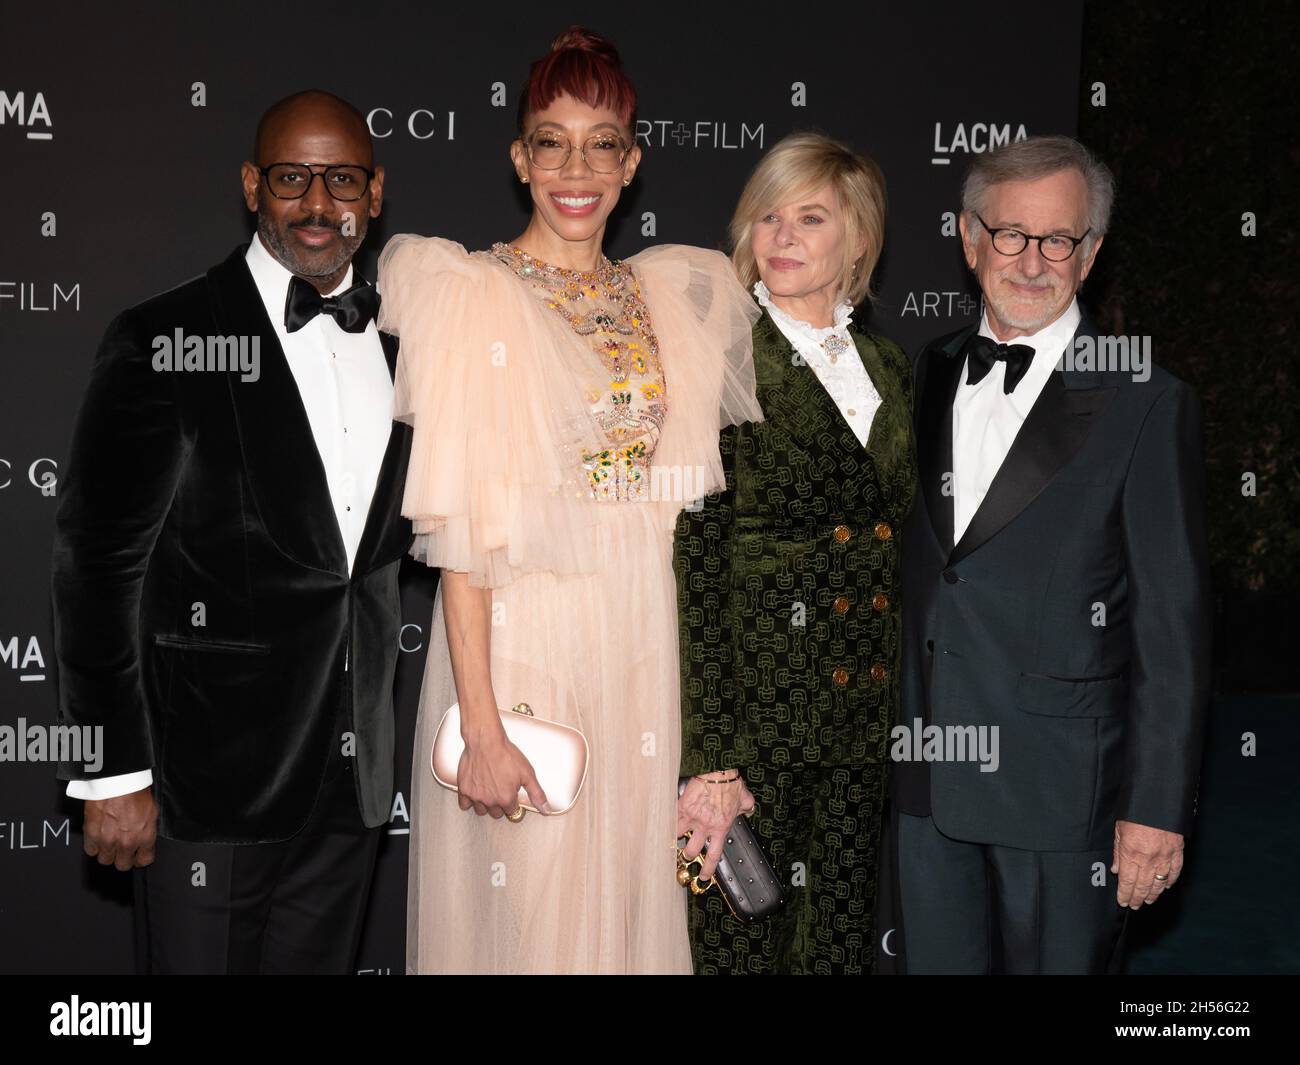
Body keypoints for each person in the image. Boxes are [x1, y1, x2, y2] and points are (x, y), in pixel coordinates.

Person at [378, 28, 762, 974]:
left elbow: (686, 523)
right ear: (520, 158)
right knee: (537, 916)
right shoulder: (472, 294)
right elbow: (460, 529)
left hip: (640, 634)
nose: (575, 167)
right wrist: (481, 723)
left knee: (627, 906)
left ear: (631, 163)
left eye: (601, 143)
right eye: (552, 140)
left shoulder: (667, 295)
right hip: (523, 636)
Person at [50, 90, 412, 974]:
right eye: (293, 178)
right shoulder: (165, 336)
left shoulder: (407, 346)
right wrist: (111, 771)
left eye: (342, 180)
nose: (319, 204)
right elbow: (98, 566)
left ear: (375, 193)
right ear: (253, 186)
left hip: (350, 783)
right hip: (204, 787)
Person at [894, 134, 1211, 974]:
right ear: (969, 238)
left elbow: (1173, 629)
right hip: (928, 786)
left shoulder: (1145, 397)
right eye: (1010, 234)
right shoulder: (931, 369)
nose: (1032, 261)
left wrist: (1155, 810)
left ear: (1091, 252)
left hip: (1066, 799)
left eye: (1059, 240)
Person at [673, 132, 917, 974]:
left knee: (837, 947)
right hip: (758, 717)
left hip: (859, 721)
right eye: (767, 217)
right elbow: (697, 559)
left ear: (857, 238)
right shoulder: (721, 354)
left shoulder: (889, 365)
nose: (781, 236)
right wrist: (710, 758)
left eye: (809, 217)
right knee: (744, 945)